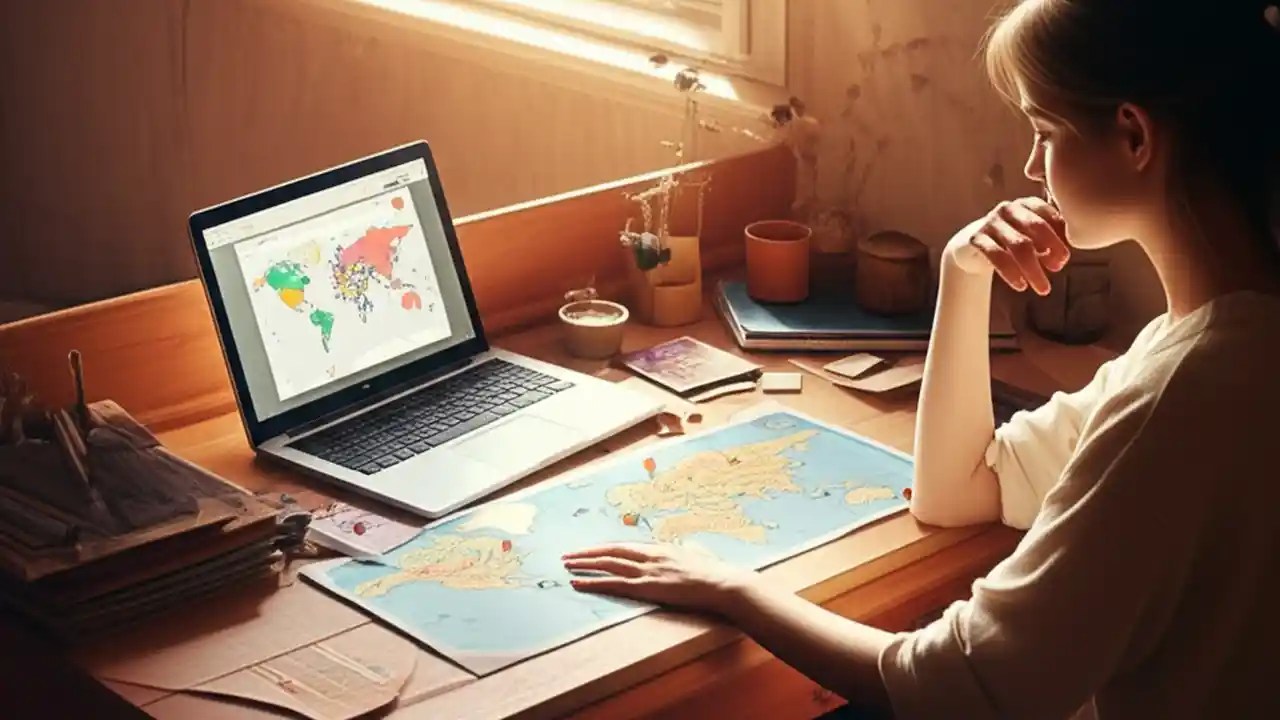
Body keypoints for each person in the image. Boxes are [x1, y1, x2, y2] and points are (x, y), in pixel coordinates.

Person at [561, 1, 1280, 717]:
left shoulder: (1183, 392)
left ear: (1133, 136)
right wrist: (964, 275)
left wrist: (732, 587)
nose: (1032, 166)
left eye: (1044, 131)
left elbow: (959, 690)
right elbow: (960, 490)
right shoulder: (1210, 342)